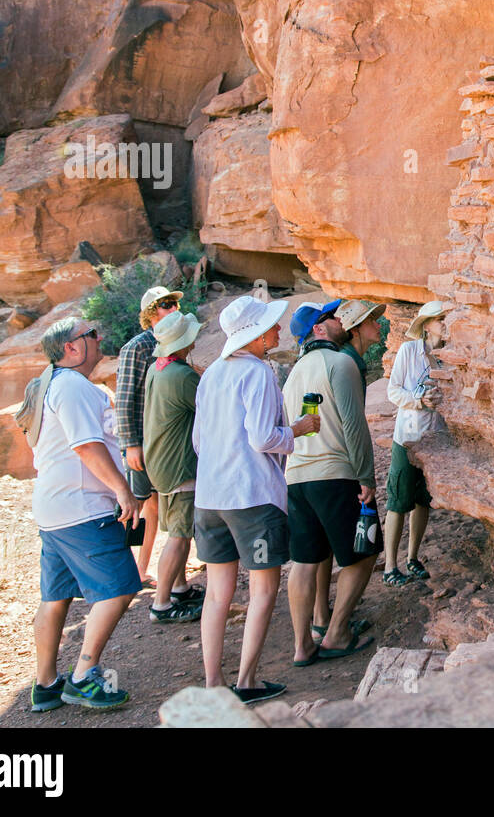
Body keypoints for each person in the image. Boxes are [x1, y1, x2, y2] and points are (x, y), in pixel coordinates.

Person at [192, 295, 319, 704]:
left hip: (209, 496)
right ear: (256, 334)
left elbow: (198, 441)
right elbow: (263, 438)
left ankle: (213, 684)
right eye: (272, 326)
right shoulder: (258, 373)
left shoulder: (211, 374)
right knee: (262, 590)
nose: (278, 330)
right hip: (250, 496)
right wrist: (298, 429)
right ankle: (246, 681)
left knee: (217, 594)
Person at [22, 317, 143, 712]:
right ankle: (82, 678)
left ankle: (45, 685)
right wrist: (121, 490)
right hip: (82, 509)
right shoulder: (72, 386)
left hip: (54, 508)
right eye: (91, 334)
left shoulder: (52, 385)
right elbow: (87, 447)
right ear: (71, 348)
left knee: (55, 597)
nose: (99, 337)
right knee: (121, 586)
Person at [283, 299, 385, 665]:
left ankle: (304, 643)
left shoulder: (294, 373)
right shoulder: (340, 364)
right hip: (336, 472)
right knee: (365, 551)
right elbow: (353, 426)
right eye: (334, 318)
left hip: (297, 476)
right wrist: (366, 476)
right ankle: (338, 632)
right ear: (320, 329)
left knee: (306, 560)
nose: (342, 320)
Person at [116, 284, 193, 600]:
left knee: (167, 507)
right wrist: (131, 442)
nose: (172, 308)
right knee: (142, 504)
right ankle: (133, 572)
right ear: (149, 314)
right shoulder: (137, 346)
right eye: (164, 304)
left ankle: (174, 580)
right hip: (143, 440)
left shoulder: (172, 340)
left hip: (164, 438)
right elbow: (124, 397)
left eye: (173, 303)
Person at [142, 310, 204, 624]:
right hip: (180, 464)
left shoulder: (159, 368)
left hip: (159, 461)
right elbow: (208, 406)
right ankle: (162, 603)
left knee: (176, 530)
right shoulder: (182, 376)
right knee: (180, 535)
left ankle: (179, 587)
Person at [383, 300, 449, 586]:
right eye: (440, 319)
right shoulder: (410, 351)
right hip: (408, 435)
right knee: (398, 500)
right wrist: (418, 400)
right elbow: (392, 390)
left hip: (434, 437)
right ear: (426, 325)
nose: (446, 323)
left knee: (423, 499)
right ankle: (389, 567)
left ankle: (413, 558)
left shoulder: (449, 356)